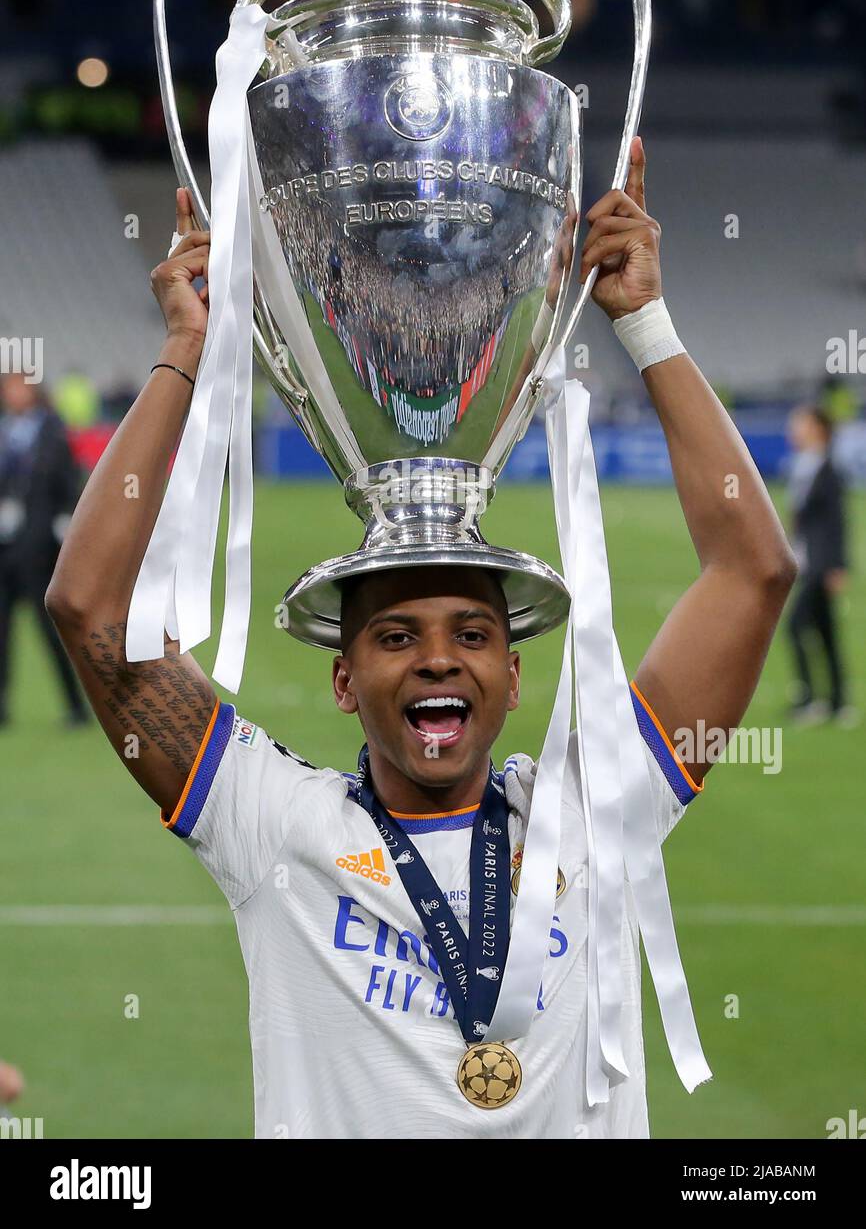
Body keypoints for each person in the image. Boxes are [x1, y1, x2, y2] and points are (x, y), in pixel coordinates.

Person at [45, 141, 797, 1139]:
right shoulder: (275, 824)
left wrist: (643, 323)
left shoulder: (586, 809)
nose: (437, 657)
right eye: (395, 635)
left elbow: (753, 573)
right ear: (345, 681)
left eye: (471, 633)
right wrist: (186, 349)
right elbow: (90, 608)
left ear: (514, 675)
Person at [0, 373, 88, 727]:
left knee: (51, 631)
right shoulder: (5, 432)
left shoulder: (52, 432)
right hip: (4, 549)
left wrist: (65, 521)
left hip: (38, 550)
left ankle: (76, 706)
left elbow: (69, 482)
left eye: (19, 386)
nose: (12, 393)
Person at [786, 404, 852, 724]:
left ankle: (810, 699)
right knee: (826, 632)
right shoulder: (803, 466)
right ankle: (839, 703)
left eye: (800, 423)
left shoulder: (828, 470)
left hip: (820, 565)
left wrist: (838, 566)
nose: (793, 429)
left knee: (795, 626)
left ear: (818, 429)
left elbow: (838, 522)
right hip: (806, 562)